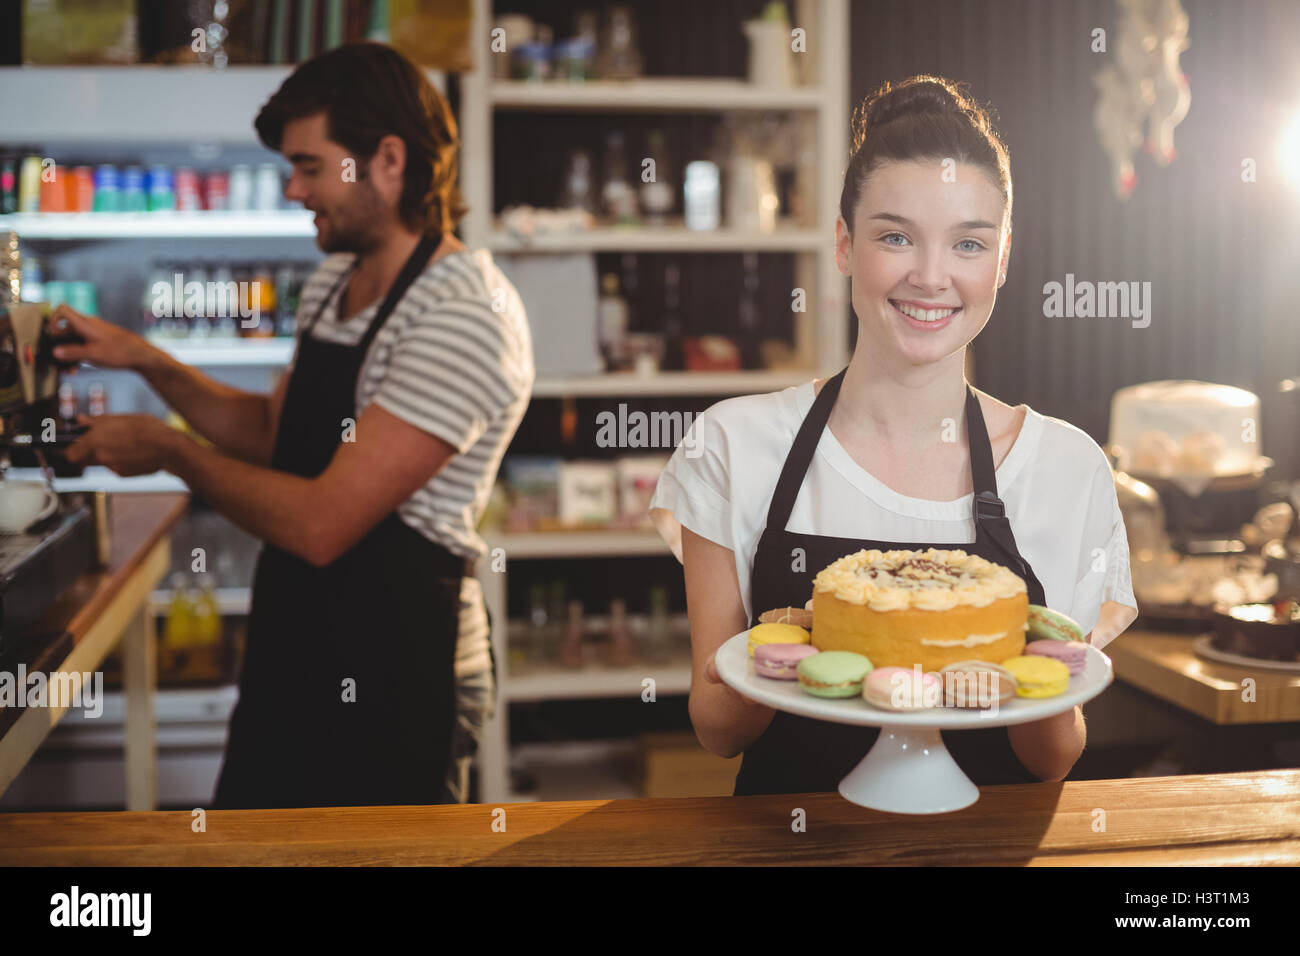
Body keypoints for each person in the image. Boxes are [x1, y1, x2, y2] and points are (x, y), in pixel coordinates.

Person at [55, 42, 533, 807]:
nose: (294, 189)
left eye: (311, 167)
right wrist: (142, 358)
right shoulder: (332, 282)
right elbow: (279, 435)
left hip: (399, 672)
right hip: (297, 648)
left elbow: (321, 523)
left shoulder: (463, 315)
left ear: (386, 159)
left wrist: (170, 451)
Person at [649, 75, 1138, 796]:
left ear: (1002, 259)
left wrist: (1036, 658)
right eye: (896, 237)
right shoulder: (733, 444)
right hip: (795, 848)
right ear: (845, 245)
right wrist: (808, 642)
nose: (931, 277)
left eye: (968, 244)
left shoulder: (1068, 467)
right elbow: (717, 730)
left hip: (989, 850)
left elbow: (1054, 759)